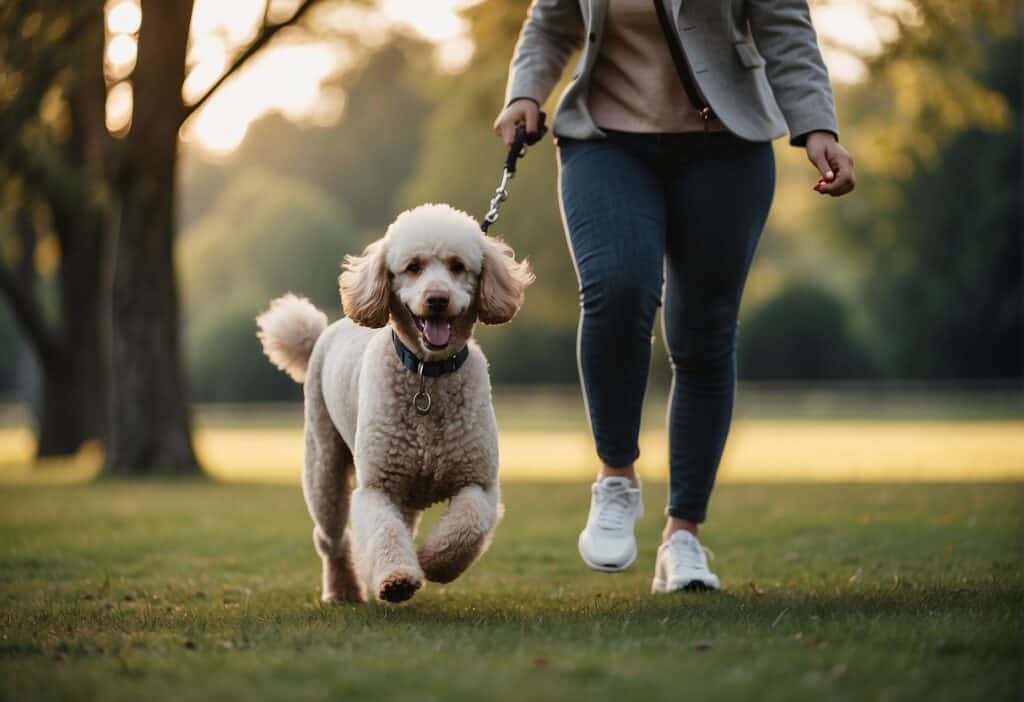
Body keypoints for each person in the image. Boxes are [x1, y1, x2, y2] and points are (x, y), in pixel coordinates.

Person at [493, 0, 855, 593]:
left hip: (726, 147)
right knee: (617, 289)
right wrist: (523, 92)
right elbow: (551, 20)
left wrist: (818, 128)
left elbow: (786, 27)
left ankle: (682, 537)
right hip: (604, 139)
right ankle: (616, 480)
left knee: (703, 334)